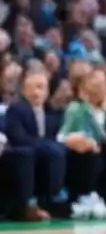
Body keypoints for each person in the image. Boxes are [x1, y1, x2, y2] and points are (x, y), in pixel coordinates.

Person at [58, 68, 106, 217]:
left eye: (104, 85)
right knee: (104, 150)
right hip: (79, 151)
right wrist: (83, 140)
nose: (103, 89)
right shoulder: (76, 108)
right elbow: (63, 135)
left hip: (101, 147)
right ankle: (87, 197)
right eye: (99, 85)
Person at [3, 70, 67, 217]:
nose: (35, 92)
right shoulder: (17, 109)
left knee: (62, 150)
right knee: (38, 152)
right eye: (30, 87)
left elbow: (59, 136)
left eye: (40, 87)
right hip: (19, 152)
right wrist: (47, 145)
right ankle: (29, 204)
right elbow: (17, 138)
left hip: (44, 153)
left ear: (47, 91)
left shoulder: (52, 112)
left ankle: (58, 199)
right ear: (23, 91)